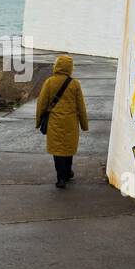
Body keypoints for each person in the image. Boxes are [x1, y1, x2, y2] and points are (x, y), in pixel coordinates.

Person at [35, 54, 89, 188]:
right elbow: (81, 106)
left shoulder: (49, 82)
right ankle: (68, 172)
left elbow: (41, 103)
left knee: (57, 149)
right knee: (68, 148)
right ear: (70, 67)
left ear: (57, 66)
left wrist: (38, 121)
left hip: (55, 121)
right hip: (70, 122)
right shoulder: (75, 83)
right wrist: (84, 124)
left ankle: (61, 178)